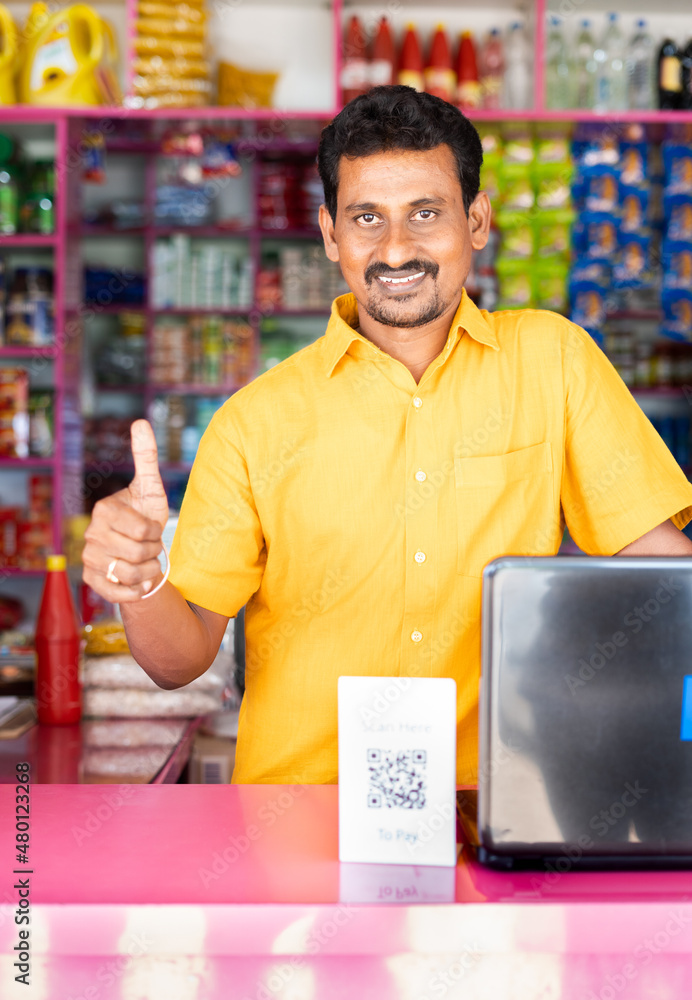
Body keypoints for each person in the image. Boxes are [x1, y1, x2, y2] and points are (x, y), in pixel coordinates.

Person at [82, 86, 692, 786]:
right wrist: (139, 580)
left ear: (477, 220)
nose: (396, 248)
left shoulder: (552, 363)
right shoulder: (254, 423)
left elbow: (665, 574)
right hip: (299, 834)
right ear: (330, 234)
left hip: (491, 816)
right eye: (366, 217)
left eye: (425, 214)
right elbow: (177, 661)